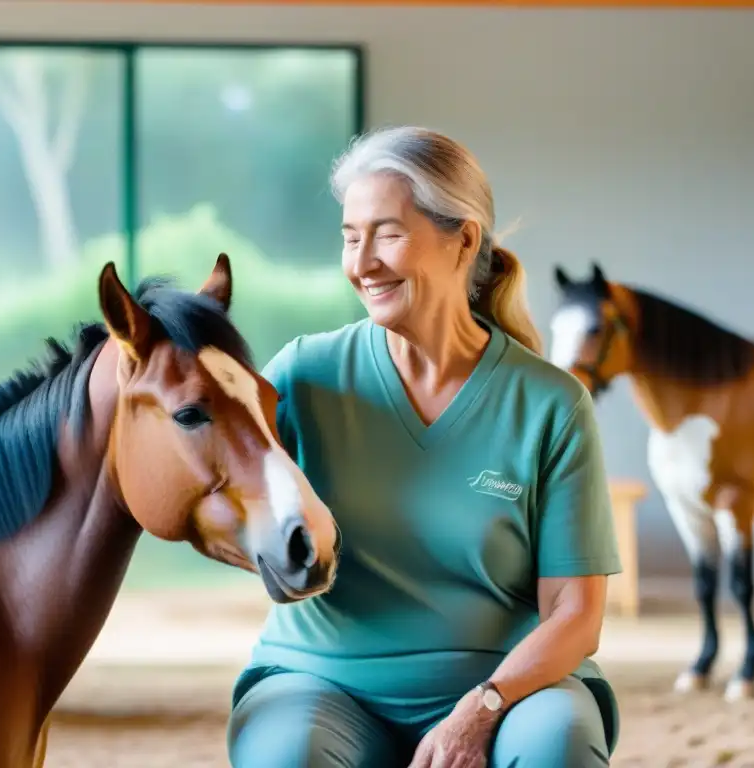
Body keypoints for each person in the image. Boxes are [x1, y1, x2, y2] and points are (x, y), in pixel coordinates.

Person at [226, 126, 622, 768]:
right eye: (350, 238)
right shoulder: (302, 375)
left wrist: (482, 708)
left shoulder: (551, 405)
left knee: (559, 745)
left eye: (387, 234)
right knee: (286, 754)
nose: (362, 263)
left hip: (506, 686)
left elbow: (575, 614)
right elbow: (213, 477)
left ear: (463, 240)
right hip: (320, 683)